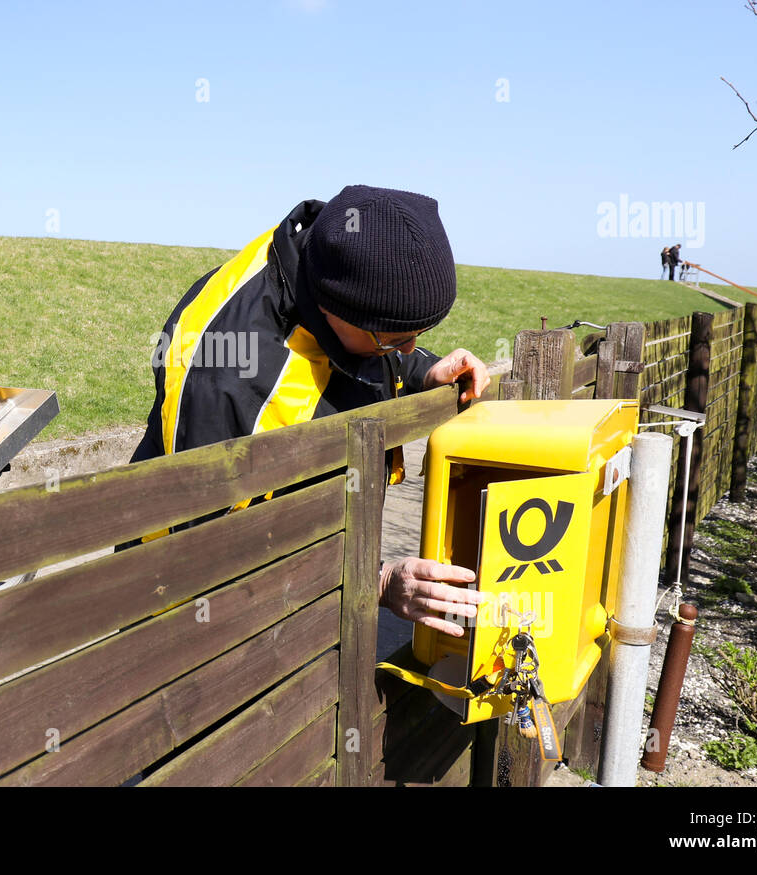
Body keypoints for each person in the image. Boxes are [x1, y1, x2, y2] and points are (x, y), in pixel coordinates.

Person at [128, 184, 490, 636]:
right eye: (394, 340)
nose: (406, 348)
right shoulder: (234, 384)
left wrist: (424, 369)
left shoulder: (323, 257)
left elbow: (368, 343)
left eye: (416, 334)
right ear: (332, 309)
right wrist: (373, 578)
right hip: (188, 621)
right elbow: (225, 559)